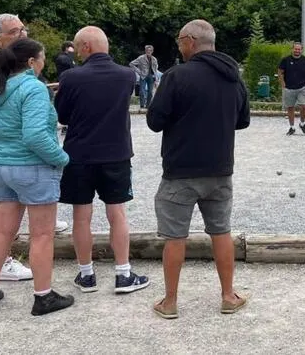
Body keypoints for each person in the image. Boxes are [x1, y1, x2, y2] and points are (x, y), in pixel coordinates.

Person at [147, 20, 250, 319]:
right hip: (220, 169)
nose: (178, 46)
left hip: (180, 170)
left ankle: (170, 302)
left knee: (176, 237)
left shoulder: (176, 75)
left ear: (191, 41)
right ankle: (228, 296)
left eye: (179, 40)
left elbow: (155, 122)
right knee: (221, 233)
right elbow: (242, 121)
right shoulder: (233, 77)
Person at [0, 38, 74, 316]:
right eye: (42, 59)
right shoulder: (34, 89)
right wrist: (61, 159)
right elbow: (35, 135)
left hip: (2, 168)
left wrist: (3, 155)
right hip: (34, 169)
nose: (44, 64)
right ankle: (43, 297)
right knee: (42, 235)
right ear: (31, 62)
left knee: (1, 232)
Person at [55, 27, 149, 294]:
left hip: (79, 154)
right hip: (116, 154)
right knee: (117, 213)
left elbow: (62, 116)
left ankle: (86, 274)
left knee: (81, 216)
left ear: (85, 47)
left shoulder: (71, 77)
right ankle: (123, 273)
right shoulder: (126, 75)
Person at [277, 42, 305, 135]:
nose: (297, 50)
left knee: (304, 106)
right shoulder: (285, 60)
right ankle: (292, 127)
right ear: (292, 49)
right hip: (289, 88)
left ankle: (302, 123)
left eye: (299, 49)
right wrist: (283, 84)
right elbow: (280, 72)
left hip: (302, 88)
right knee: (290, 107)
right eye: (295, 49)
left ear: (301, 50)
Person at [130, 45, 159, 109]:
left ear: (152, 51)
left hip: (151, 76)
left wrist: (156, 79)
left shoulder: (154, 59)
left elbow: (155, 69)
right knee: (142, 91)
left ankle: (148, 105)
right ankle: (142, 105)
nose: (149, 51)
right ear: (145, 51)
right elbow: (131, 64)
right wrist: (139, 72)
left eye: (150, 50)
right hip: (143, 76)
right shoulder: (141, 58)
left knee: (150, 92)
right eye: (147, 50)